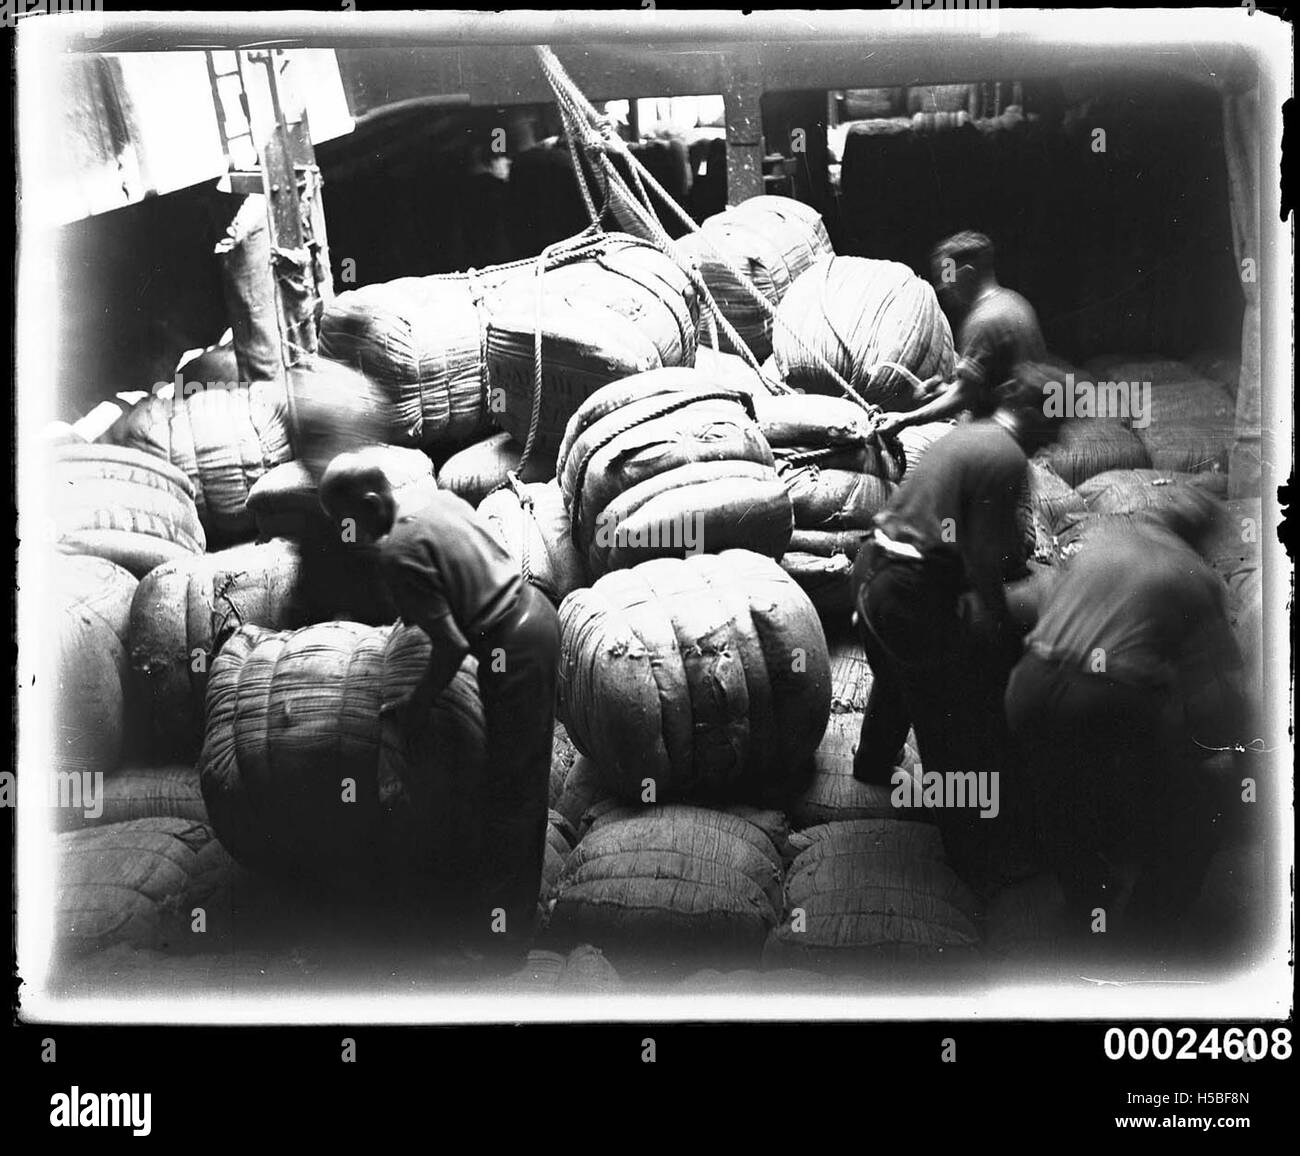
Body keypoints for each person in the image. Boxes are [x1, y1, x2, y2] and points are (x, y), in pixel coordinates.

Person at [319, 453, 560, 960]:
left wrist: (413, 704)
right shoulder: (432, 500)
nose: (347, 536)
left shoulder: (395, 551)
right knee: (519, 776)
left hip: (510, 647)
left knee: (514, 788)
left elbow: (449, 645)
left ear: (368, 504)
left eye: (347, 523)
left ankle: (505, 940)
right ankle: (505, 916)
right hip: (534, 615)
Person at [851, 364, 1065, 886]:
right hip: (907, 590)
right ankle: (974, 856)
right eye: (1056, 427)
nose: (1055, 441)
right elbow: (985, 563)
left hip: (872, 573)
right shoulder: (1008, 457)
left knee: (902, 676)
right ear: (1038, 419)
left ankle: (871, 765)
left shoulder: (968, 436)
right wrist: (1009, 650)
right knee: (953, 721)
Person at [1003, 490, 1246, 948]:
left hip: (1029, 685)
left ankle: (1088, 901)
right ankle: (1148, 933)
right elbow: (1210, 691)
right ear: (1203, 541)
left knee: (1059, 803)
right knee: (1195, 817)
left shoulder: (1102, 542)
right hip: (1103, 699)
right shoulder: (1194, 576)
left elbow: (1041, 605)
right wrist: (1223, 757)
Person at [874, 231, 1047, 437]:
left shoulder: (983, 320)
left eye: (947, 276)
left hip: (1005, 436)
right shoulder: (1014, 302)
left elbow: (964, 396)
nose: (942, 286)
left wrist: (905, 419)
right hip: (1032, 423)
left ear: (967, 272)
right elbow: (997, 383)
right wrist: (945, 391)